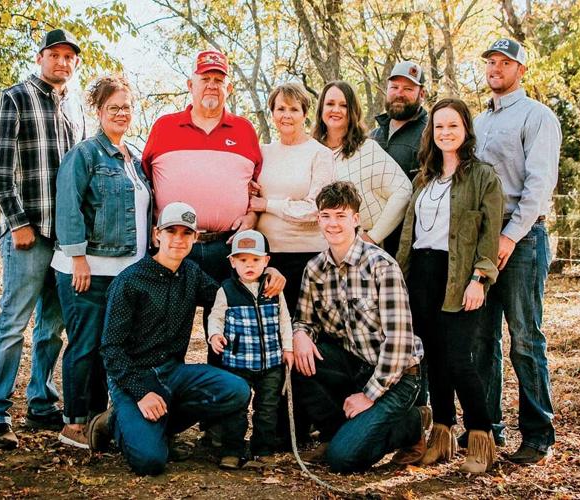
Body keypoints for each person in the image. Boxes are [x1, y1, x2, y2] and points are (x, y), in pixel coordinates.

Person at [92, 203, 286, 475]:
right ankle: (116, 421)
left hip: (173, 373)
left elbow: (227, 297)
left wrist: (266, 274)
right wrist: (140, 393)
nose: (179, 240)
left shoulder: (191, 273)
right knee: (150, 462)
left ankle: (158, 425)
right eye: (172, 232)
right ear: (157, 234)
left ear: (195, 238)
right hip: (135, 378)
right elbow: (110, 349)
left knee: (237, 390)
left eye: (187, 233)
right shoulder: (130, 281)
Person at [0, 28, 85, 449]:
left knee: (51, 328)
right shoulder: (15, 98)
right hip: (29, 234)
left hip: (64, 240)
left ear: (75, 64)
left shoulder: (74, 108)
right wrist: (18, 223)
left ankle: (41, 400)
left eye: (69, 57)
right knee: (12, 325)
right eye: (54, 55)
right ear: (41, 57)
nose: (62, 62)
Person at [290, 181, 430, 473]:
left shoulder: (381, 265)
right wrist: (300, 334)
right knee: (298, 363)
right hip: (353, 365)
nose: (333, 223)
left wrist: (369, 395)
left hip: (396, 376)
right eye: (326, 215)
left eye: (341, 216)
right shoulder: (315, 269)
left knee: (344, 460)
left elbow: (400, 343)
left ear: (356, 219)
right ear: (318, 219)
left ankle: (413, 424)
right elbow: (304, 320)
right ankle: (337, 433)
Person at [396, 98, 503, 473]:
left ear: (466, 130)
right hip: (422, 276)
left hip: (459, 276)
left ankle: (480, 438)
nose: (445, 133)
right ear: (431, 132)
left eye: (453, 126)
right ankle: (441, 439)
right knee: (435, 361)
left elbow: (490, 236)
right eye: (439, 126)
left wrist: (480, 278)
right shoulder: (423, 178)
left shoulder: (483, 177)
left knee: (460, 361)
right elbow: (411, 234)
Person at [140, 50, 265, 356]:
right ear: (190, 84)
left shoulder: (245, 130)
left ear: (229, 88)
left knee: (224, 326)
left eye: (218, 80)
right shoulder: (164, 127)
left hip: (227, 246)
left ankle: (218, 398)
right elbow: (145, 185)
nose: (211, 85)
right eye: (205, 79)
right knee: (168, 324)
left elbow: (257, 190)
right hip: (177, 246)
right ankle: (165, 392)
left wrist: (251, 220)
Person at [472, 38, 561, 464]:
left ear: (521, 70)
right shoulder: (477, 121)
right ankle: (490, 429)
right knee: (483, 338)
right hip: (482, 241)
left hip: (523, 239)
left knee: (525, 337)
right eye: (491, 61)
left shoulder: (537, 117)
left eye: (505, 62)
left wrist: (509, 236)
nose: (496, 68)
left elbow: (539, 186)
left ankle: (539, 434)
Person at [52, 74, 150, 449]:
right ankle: (74, 423)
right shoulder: (85, 154)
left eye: (126, 107)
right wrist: (77, 257)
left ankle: (98, 418)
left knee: (110, 347)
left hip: (125, 272)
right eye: (113, 108)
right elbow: (68, 207)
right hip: (88, 270)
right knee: (84, 345)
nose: (121, 113)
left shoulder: (135, 159)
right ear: (98, 110)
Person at [207, 230, 294, 469]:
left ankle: (262, 451)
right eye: (243, 260)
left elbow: (284, 320)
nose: (249, 265)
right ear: (233, 262)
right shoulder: (226, 290)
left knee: (267, 409)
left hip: (271, 363)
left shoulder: (273, 290)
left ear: (266, 261)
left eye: (255, 260)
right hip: (238, 362)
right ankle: (232, 450)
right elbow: (216, 317)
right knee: (236, 408)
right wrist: (214, 335)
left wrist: (288, 349)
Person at [249, 82, 335, 314]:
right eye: (281, 109)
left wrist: (267, 204)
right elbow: (250, 195)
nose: (286, 115)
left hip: (307, 256)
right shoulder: (263, 152)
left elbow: (315, 210)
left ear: (305, 114)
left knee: (304, 329)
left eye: (294, 109)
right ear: (273, 113)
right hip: (265, 256)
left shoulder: (320, 154)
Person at [313, 80, 411, 250]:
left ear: (352, 111)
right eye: (330, 104)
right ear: (321, 108)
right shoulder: (312, 151)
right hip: (317, 251)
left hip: (359, 253)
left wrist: (372, 237)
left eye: (343, 105)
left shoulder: (367, 149)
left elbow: (403, 191)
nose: (336, 110)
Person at [370, 61, 429, 255]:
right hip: (372, 239)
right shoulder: (373, 136)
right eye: (394, 87)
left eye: (408, 88)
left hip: (411, 242)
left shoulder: (431, 135)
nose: (399, 93)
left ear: (422, 94)